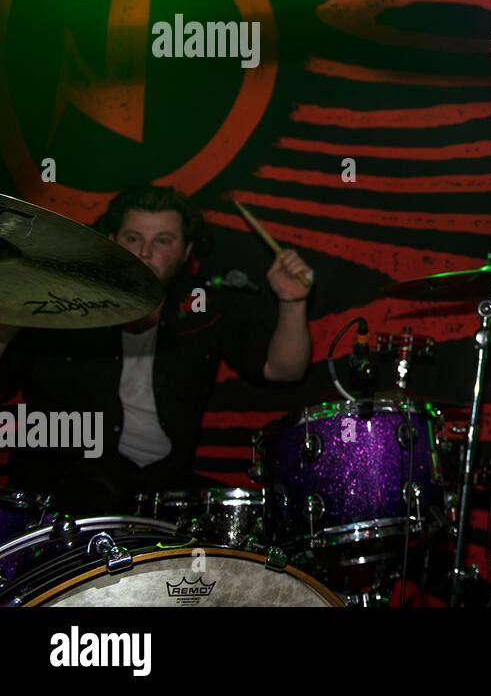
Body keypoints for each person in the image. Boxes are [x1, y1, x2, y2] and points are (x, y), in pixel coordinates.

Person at [0, 184, 313, 515]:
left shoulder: (204, 308)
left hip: (158, 494)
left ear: (186, 250)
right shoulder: (57, 304)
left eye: (163, 240)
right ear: (110, 241)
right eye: (133, 238)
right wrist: (12, 305)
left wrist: (292, 299)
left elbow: (284, 369)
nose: (145, 252)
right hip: (59, 495)